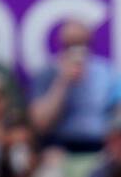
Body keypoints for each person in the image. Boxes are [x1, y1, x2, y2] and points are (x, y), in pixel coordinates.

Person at [29, 19, 116, 152]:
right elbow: (40, 124)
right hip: (60, 145)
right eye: (70, 45)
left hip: (101, 143)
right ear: (61, 46)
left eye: (82, 44)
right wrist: (62, 82)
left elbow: (118, 114)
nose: (77, 52)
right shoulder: (47, 73)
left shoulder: (106, 72)